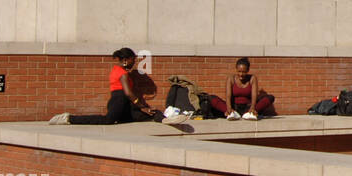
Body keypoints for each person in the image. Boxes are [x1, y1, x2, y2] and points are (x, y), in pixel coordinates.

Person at [49, 48, 189, 126]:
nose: (134, 63)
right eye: (133, 61)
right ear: (126, 60)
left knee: (145, 114)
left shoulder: (117, 70)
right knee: (108, 120)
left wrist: (142, 107)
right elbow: (128, 93)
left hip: (123, 101)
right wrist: (141, 105)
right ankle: (69, 118)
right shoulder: (122, 73)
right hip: (120, 100)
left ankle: (165, 118)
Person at [207, 57, 275, 121]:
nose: (241, 74)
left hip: (248, 108)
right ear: (236, 69)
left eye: (244, 72)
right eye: (239, 71)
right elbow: (228, 96)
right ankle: (232, 114)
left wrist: (253, 107)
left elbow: (254, 95)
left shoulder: (252, 78)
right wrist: (229, 108)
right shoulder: (231, 79)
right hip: (234, 108)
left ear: (248, 70)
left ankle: (250, 114)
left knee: (270, 98)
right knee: (211, 98)